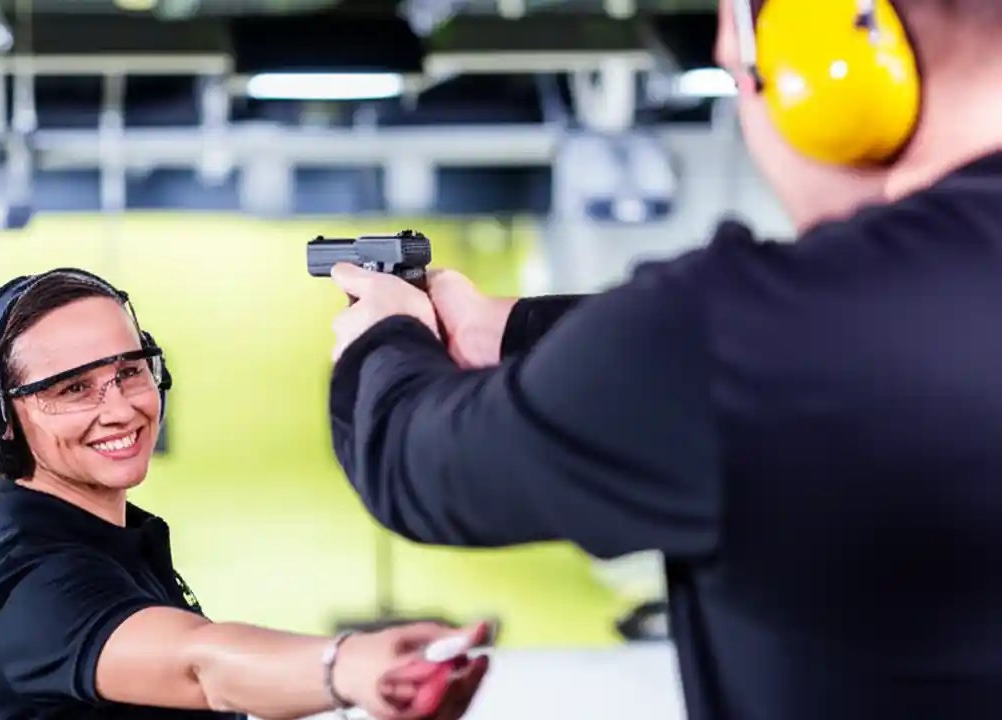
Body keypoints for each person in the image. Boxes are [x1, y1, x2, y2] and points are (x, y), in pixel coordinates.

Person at [325, 1, 1002, 719]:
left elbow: (425, 463)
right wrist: (516, 332)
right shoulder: (758, 337)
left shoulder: (735, 335)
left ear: (826, 66)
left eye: (744, 74)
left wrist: (385, 338)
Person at [0, 268, 489, 720]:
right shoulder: (31, 590)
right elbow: (202, 665)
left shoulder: (112, 549)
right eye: (73, 388)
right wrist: (344, 666)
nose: (119, 408)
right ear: (0, 422)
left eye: (129, 372)